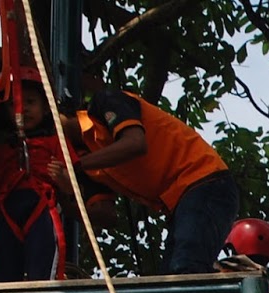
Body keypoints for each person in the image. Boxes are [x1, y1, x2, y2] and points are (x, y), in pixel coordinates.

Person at [56, 75, 236, 273]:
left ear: (62, 112)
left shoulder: (105, 102)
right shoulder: (83, 157)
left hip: (204, 180)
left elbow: (135, 143)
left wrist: (75, 166)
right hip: (182, 200)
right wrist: (64, 200)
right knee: (171, 282)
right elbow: (107, 215)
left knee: (185, 269)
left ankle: (235, 280)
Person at [0, 69, 105, 281]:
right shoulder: (0, 152)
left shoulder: (55, 143)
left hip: (41, 210)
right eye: (13, 104)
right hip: (6, 213)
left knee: (41, 265)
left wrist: (62, 179)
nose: (22, 109)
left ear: (45, 108)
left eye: (30, 102)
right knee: (3, 269)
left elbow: (73, 190)